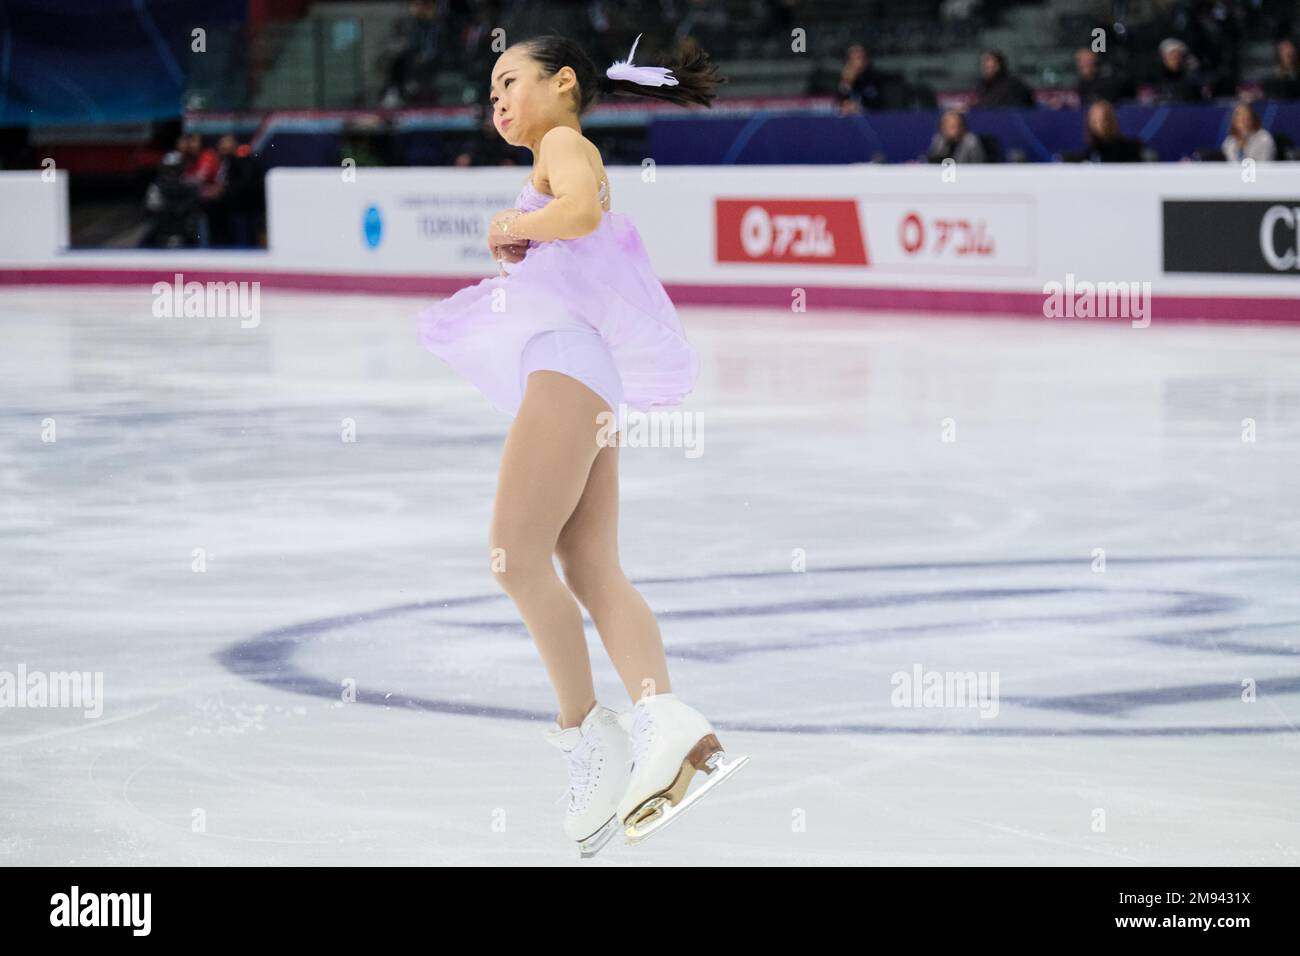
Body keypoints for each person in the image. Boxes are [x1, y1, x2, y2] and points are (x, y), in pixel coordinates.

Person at [415, 33, 746, 855]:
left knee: (513, 555)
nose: (495, 98)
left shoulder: (563, 141)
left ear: (563, 84)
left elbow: (585, 211)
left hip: (567, 367)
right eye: (488, 88)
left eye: (509, 80)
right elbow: (576, 221)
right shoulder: (559, 151)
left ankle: (587, 734)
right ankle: (666, 721)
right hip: (584, 371)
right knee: (588, 565)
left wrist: (506, 223)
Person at [1069, 100, 1144, 162]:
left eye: (1102, 120)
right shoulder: (1091, 152)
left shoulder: (1130, 148)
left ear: (1110, 121)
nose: (1097, 125)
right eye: (1094, 121)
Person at [1154, 38, 1207, 103]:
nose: (1175, 60)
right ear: (1164, 58)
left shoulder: (1193, 80)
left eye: (1177, 56)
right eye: (1171, 56)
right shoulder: (1157, 80)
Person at [1261, 37, 1300, 101]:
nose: (1288, 52)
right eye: (1284, 49)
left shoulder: (1296, 72)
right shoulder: (1271, 74)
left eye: (1290, 48)